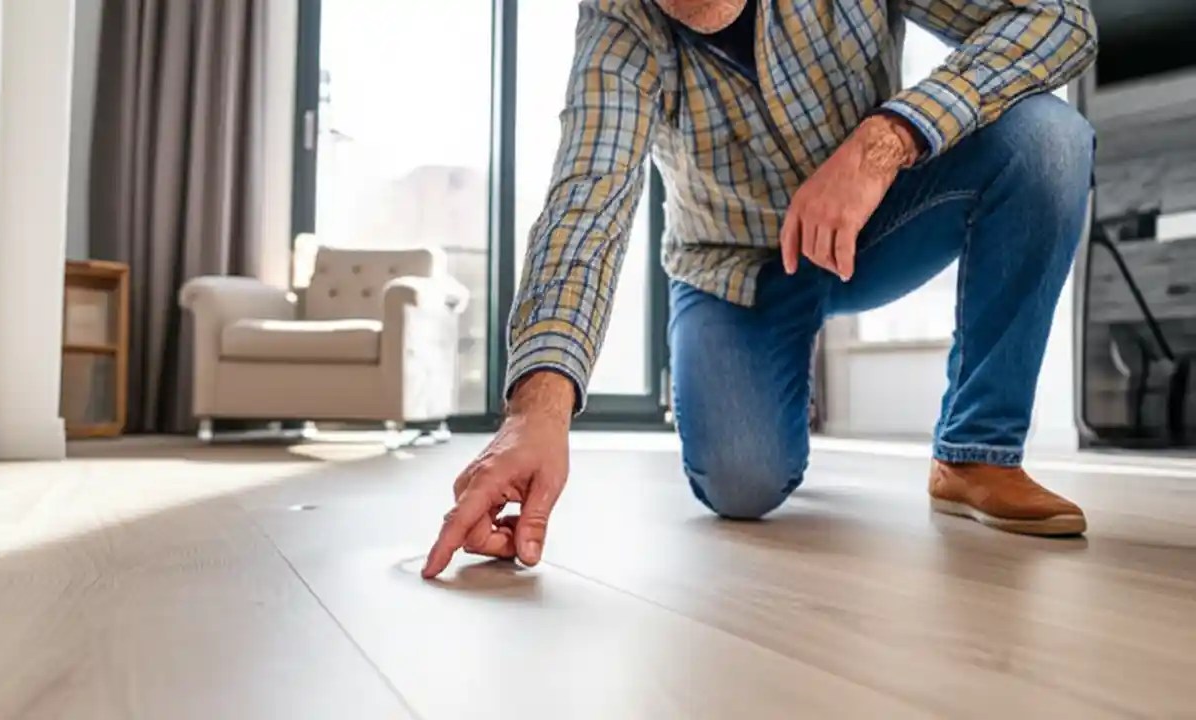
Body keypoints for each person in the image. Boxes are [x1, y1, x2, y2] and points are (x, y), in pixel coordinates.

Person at [422, 0, 1098, 579]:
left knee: (1048, 141)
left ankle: (973, 454)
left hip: (874, 228)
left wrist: (887, 137)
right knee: (741, 482)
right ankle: (771, 366)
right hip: (732, 267)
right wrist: (535, 413)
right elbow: (587, 203)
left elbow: (1057, 18)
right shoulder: (618, 20)